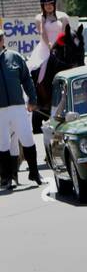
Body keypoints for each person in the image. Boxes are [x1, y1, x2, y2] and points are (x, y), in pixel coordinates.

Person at [0, 30, 41, 189]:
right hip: (0, 110)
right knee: (3, 143)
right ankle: (6, 177)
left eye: (0, 38)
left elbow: (26, 79)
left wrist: (32, 99)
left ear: (3, 39)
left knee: (27, 138)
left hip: (18, 107)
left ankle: (34, 172)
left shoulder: (14, 57)